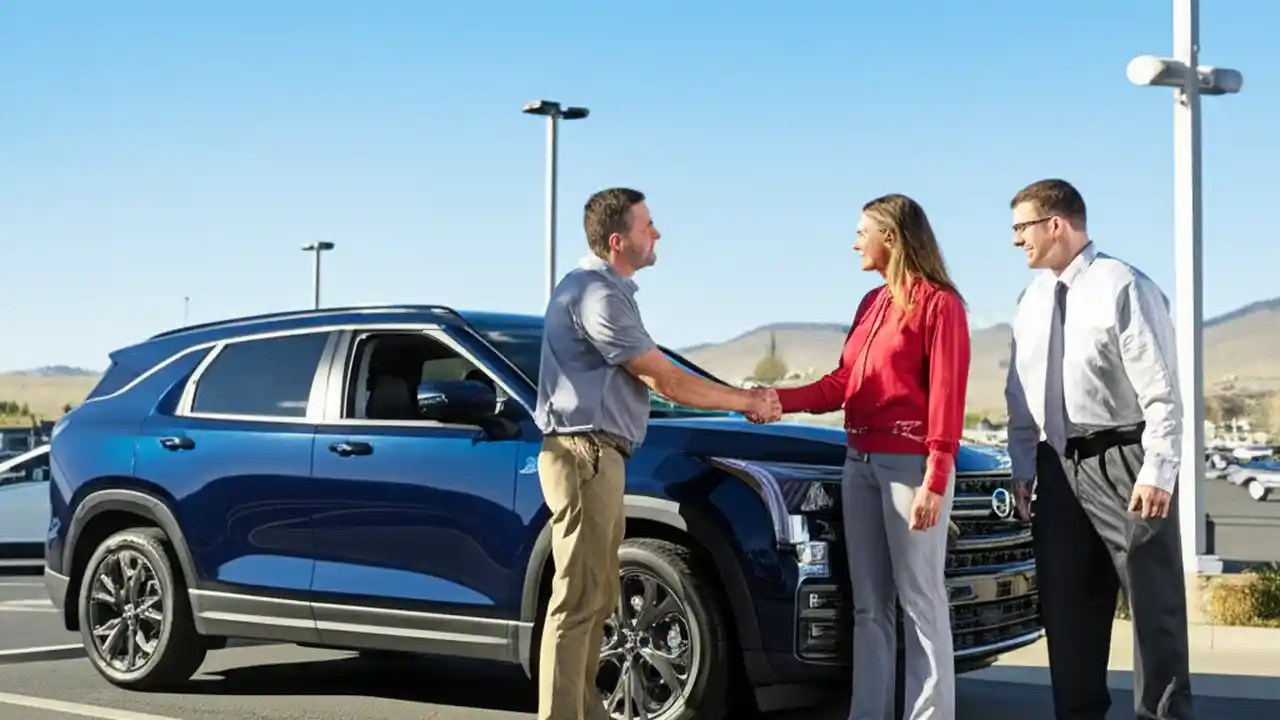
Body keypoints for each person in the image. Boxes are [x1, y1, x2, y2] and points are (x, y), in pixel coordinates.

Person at [532, 186, 781, 720]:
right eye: (648, 226)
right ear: (619, 241)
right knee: (578, 601)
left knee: (597, 598)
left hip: (597, 455)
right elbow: (663, 377)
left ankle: (585, 711)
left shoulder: (597, 290)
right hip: (586, 455)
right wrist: (745, 401)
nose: (658, 233)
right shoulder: (598, 294)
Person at [773, 193, 970, 720]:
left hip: (911, 471)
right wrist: (777, 399)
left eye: (863, 231)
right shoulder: (871, 303)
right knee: (868, 607)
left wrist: (935, 477)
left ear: (892, 237)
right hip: (858, 464)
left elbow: (948, 398)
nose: (855, 241)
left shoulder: (940, 304)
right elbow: (841, 383)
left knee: (920, 603)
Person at [1003, 178, 1193, 720]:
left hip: (1127, 462)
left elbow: (1162, 390)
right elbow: (1020, 394)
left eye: (1022, 227)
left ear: (1055, 224)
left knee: (1154, 611)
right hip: (1056, 466)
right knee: (1067, 612)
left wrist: (1158, 469)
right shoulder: (1030, 300)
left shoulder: (1123, 285)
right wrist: (1023, 467)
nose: (1017, 240)